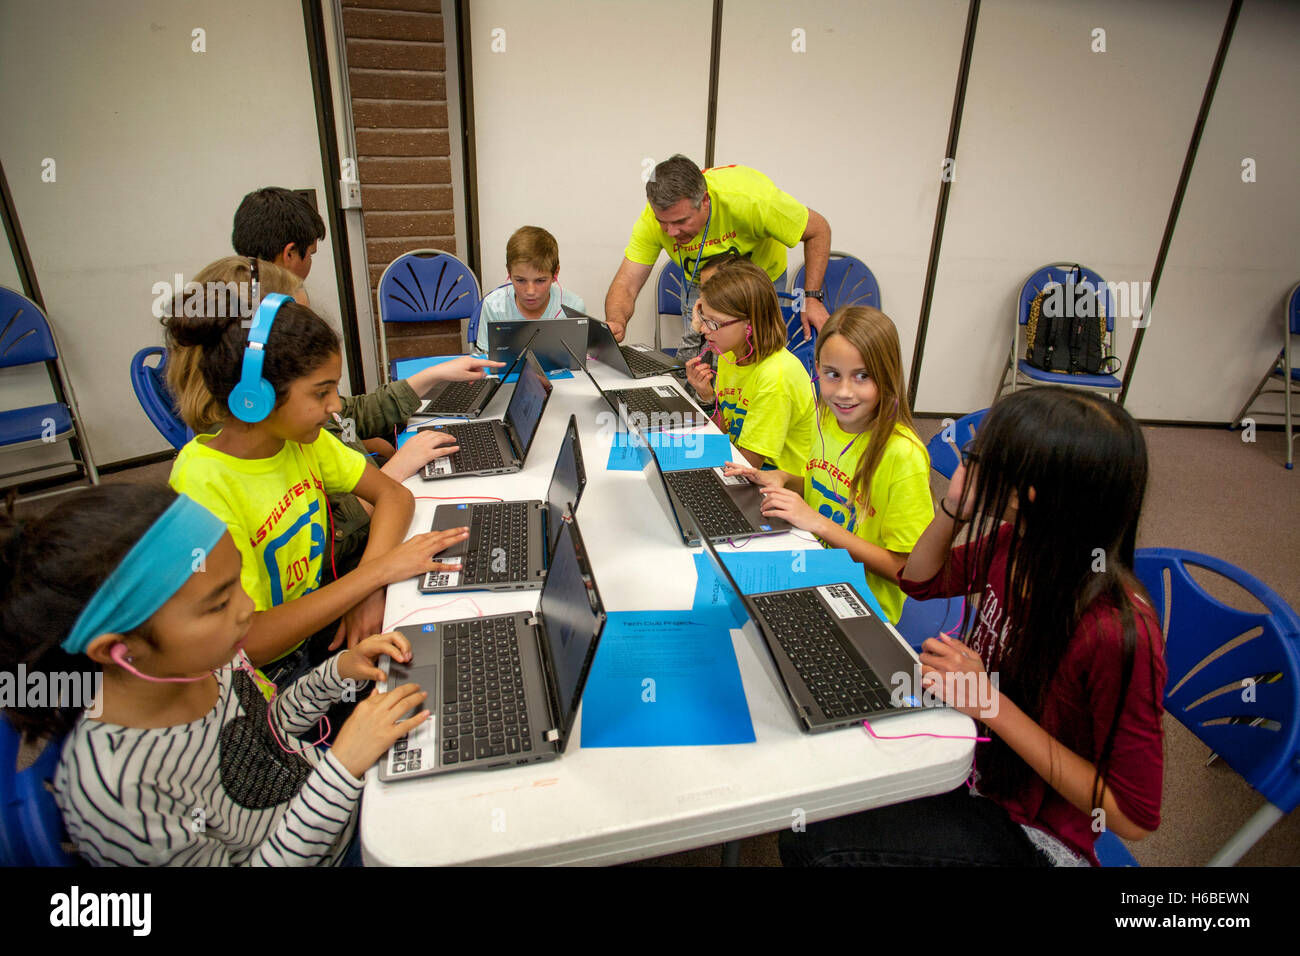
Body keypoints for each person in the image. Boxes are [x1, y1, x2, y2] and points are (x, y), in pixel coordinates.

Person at [780, 387, 1167, 867]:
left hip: (1034, 834)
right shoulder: (1018, 541)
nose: (969, 463)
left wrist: (988, 702)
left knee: (815, 842)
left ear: (1035, 494)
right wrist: (954, 510)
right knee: (812, 771)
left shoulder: (1113, 633)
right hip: (969, 755)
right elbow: (917, 579)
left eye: (981, 458)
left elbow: (1132, 817)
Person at [0, 483, 431, 865]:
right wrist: (342, 768)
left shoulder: (202, 659)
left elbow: (264, 733)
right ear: (120, 649)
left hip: (341, 796)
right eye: (218, 603)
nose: (247, 609)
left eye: (236, 584)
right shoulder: (119, 791)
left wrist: (335, 674)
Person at [164, 289, 467, 684]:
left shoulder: (298, 438)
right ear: (255, 399)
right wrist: (375, 576)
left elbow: (393, 494)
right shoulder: (202, 487)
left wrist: (368, 590)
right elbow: (243, 642)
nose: (336, 406)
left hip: (324, 619)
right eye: (321, 392)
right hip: (270, 675)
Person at [166, 256, 502, 572]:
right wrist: (396, 468)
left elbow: (348, 420)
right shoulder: (256, 441)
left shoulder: (282, 421)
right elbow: (323, 546)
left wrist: (432, 376)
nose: (307, 335)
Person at [723, 306, 932, 623]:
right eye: (832, 375)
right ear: (817, 369)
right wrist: (782, 478)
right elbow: (830, 489)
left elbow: (910, 572)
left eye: (862, 376)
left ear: (887, 375)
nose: (844, 392)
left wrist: (818, 524)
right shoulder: (826, 419)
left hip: (860, 604)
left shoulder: (903, 456)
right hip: (811, 564)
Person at [604, 155, 832, 350]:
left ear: (704, 201)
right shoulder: (652, 220)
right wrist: (616, 321)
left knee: (758, 354)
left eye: (681, 221)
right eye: (663, 222)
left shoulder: (752, 200)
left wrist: (812, 299)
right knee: (698, 360)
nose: (671, 231)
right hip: (700, 281)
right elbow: (627, 283)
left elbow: (818, 230)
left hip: (760, 280)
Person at [683, 258, 814, 475]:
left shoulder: (775, 377)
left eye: (713, 323)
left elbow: (747, 466)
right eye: (702, 317)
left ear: (750, 324)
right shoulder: (731, 354)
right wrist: (707, 397)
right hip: (742, 465)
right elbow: (725, 435)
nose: (703, 330)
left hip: (776, 487)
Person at [474, 225, 586, 353]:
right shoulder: (494, 306)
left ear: (555, 273)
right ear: (509, 273)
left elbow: (577, 363)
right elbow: (485, 359)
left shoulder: (572, 308)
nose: (530, 291)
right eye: (520, 280)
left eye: (540, 281)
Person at [232, 186, 324, 281]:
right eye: (310, 255)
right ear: (289, 254)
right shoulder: (286, 295)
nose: (310, 261)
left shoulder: (227, 289)